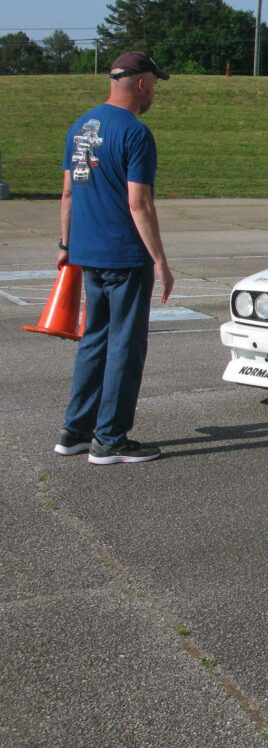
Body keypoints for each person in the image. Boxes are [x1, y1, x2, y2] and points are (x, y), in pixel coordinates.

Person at [54, 51, 174, 464]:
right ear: (141, 83)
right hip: (124, 254)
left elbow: (68, 193)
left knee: (95, 340)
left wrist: (66, 246)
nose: (155, 91)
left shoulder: (80, 127)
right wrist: (159, 259)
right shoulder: (136, 133)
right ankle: (110, 439)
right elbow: (138, 204)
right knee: (125, 345)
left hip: (89, 252)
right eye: (154, 83)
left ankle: (76, 430)